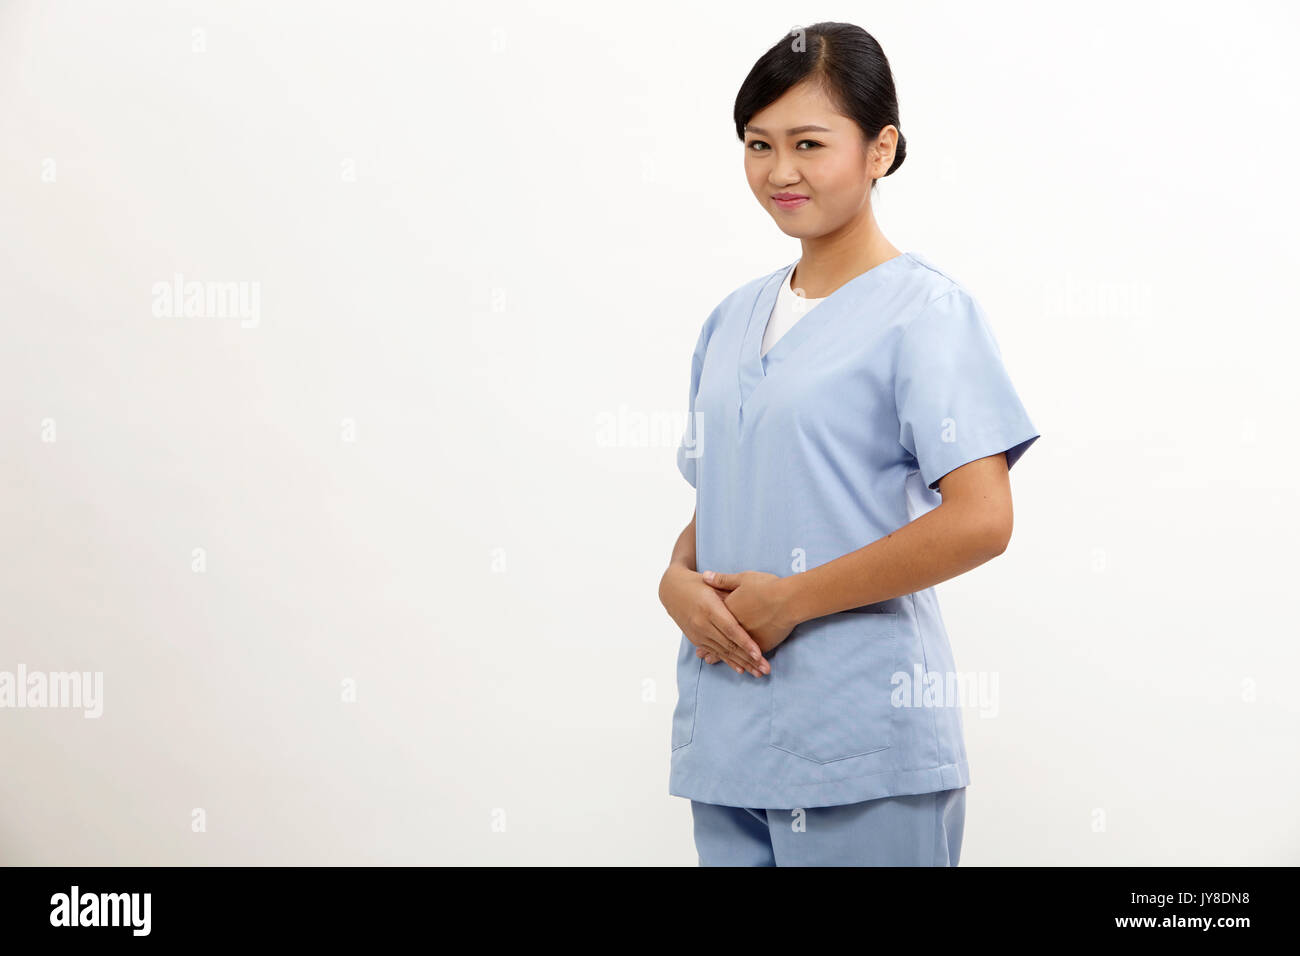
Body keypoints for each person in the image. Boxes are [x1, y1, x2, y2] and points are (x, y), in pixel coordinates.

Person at [658, 22, 1040, 866]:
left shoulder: (926, 314)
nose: (779, 171)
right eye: (758, 144)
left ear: (881, 148)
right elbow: (722, 493)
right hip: (729, 736)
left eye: (808, 143)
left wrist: (792, 598)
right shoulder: (730, 320)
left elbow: (983, 519)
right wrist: (676, 579)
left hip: (861, 735)